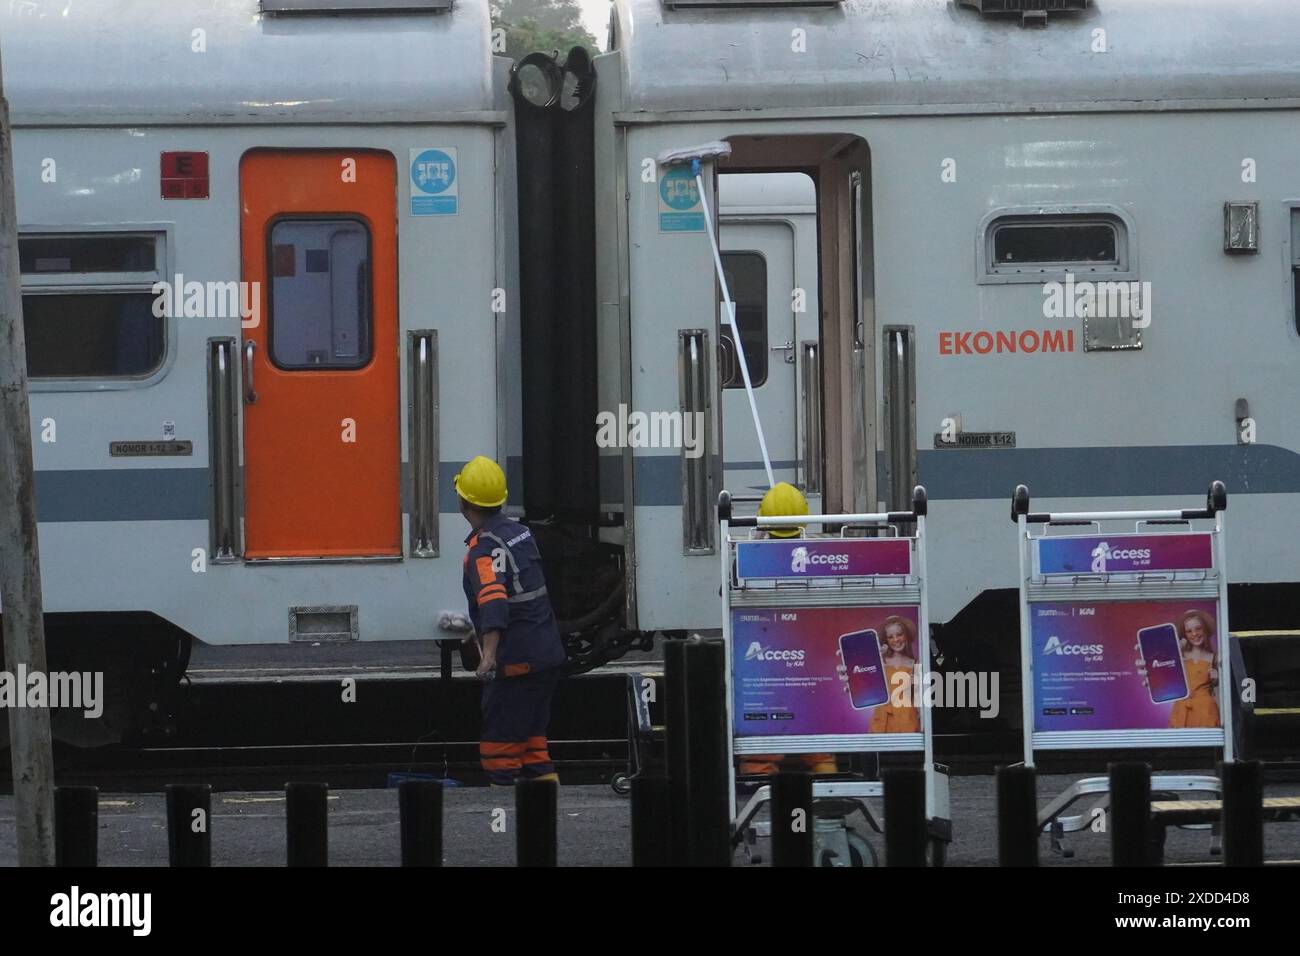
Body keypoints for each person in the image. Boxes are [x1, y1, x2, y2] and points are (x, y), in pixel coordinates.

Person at [456, 455, 567, 786]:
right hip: (546, 654)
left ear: (464, 503)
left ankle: (502, 828)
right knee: (533, 748)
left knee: (499, 752)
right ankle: (550, 819)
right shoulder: (520, 533)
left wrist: (489, 655)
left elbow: (494, 599)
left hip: (518, 661)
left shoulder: (482, 549)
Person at [737, 482, 837, 777]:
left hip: (766, 660)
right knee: (813, 710)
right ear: (805, 516)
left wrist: (754, 539)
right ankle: (824, 768)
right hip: (810, 658)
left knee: (764, 711)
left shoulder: (751, 557)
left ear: (763, 518)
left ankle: (759, 771)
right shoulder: (820, 554)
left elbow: (726, 592)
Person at [866, 615, 921, 734]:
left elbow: (919, 698)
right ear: (886, 640)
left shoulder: (915, 663)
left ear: (906, 635)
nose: (896, 640)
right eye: (890, 637)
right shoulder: (880, 662)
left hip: (907, 720)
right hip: (882, 720)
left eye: (899, 634)